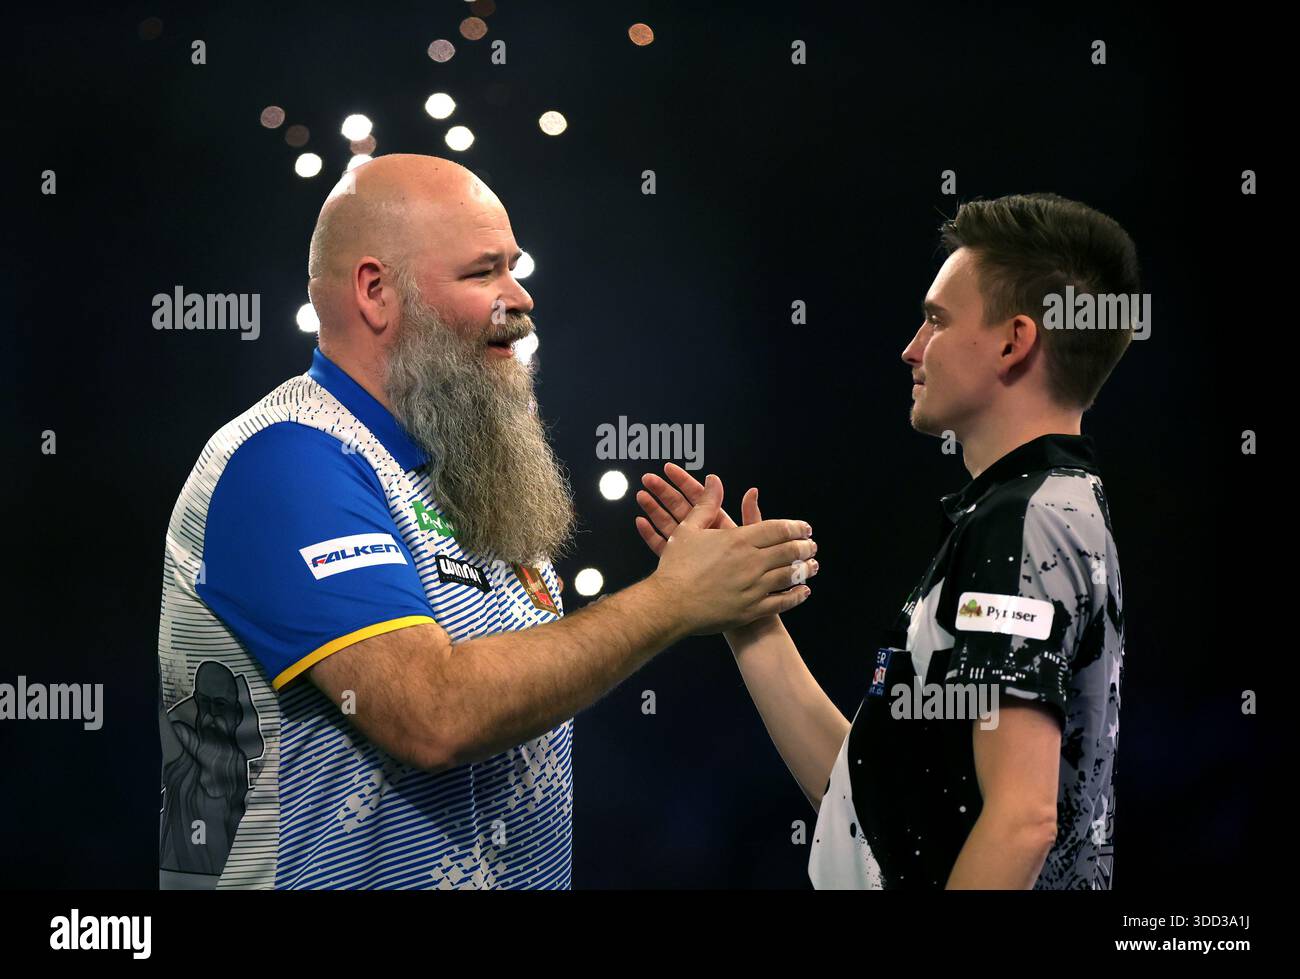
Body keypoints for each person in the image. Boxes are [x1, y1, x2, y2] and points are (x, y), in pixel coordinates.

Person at [156, 153, 817, 889]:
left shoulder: (469, 466)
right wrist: (672, 598)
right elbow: (431, 714)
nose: (521, 296)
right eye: (484, 273)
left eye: (515, 265)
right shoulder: (287, 463)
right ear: (376, 292)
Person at [636, 193, 1132, 889]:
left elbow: (1023, 818)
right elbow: (868, 812)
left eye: (935, 320)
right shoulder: (1037, 508)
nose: (911, 348)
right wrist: (747, 614)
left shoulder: (1024, 522)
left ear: (1013, 341)